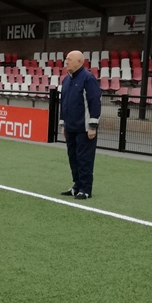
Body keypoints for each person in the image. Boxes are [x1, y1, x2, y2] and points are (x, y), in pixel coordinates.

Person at [59, 50, 101, 199]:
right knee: (73, 158)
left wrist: (93, 126)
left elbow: (94, 102)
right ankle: (77, 185)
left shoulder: (88, 79)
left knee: (85, 159)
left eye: (69, 59)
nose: (66, 62)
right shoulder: (66, 80)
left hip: (84, 129)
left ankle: (85, 189)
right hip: (70, 128)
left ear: (79, 62)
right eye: (66, 59)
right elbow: (63, 103)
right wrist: (63, 123)